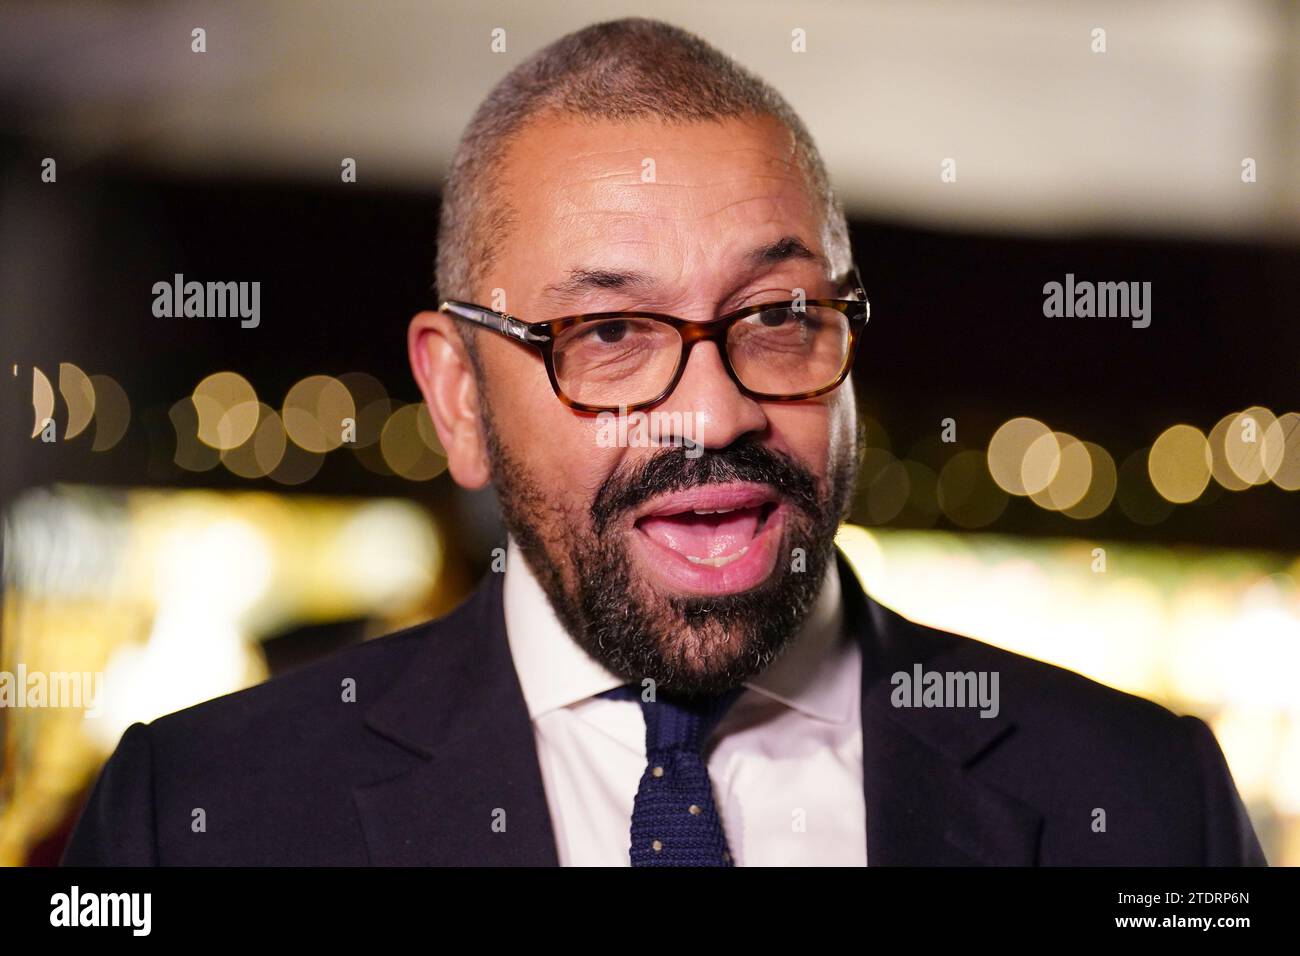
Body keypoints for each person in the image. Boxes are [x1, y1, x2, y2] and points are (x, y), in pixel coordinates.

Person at [63, 17, 1265, 867]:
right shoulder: (207, 813)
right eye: (611, 331)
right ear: (460, 397)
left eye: (781, 316)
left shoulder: (1146, 801)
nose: (714, 412)